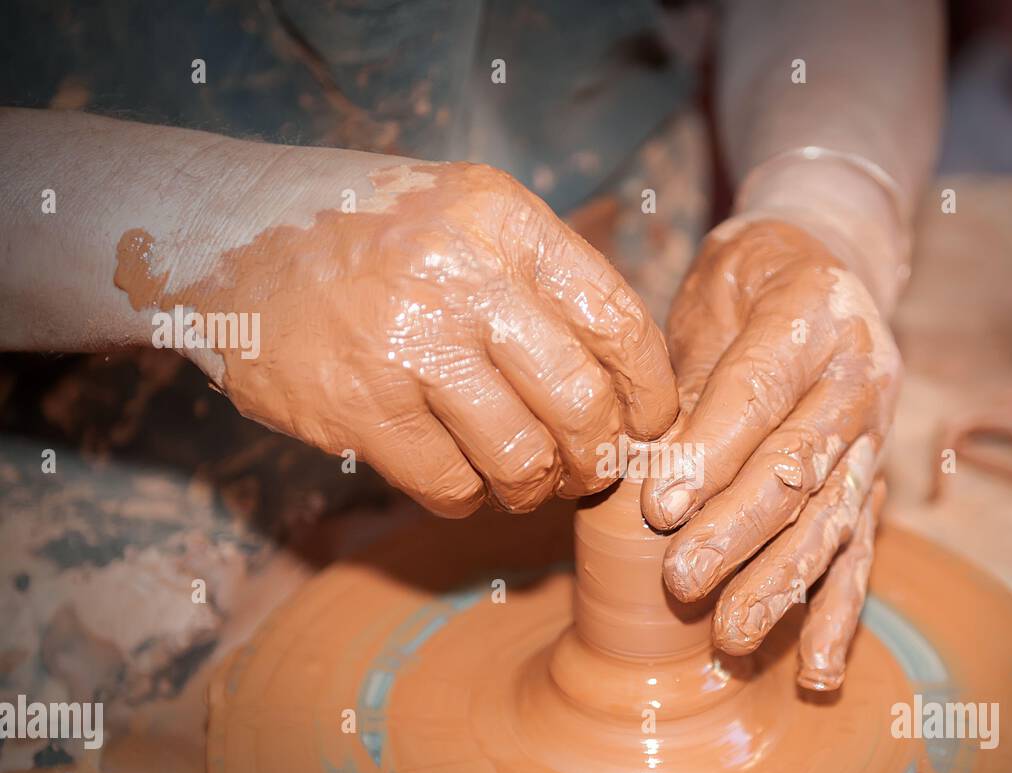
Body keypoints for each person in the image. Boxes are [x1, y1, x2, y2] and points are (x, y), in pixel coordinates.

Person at [0, 0, 942, 707]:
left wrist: (825, 204)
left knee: (714, 481)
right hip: (74, 291)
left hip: (601, 225)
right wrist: (205, 230)